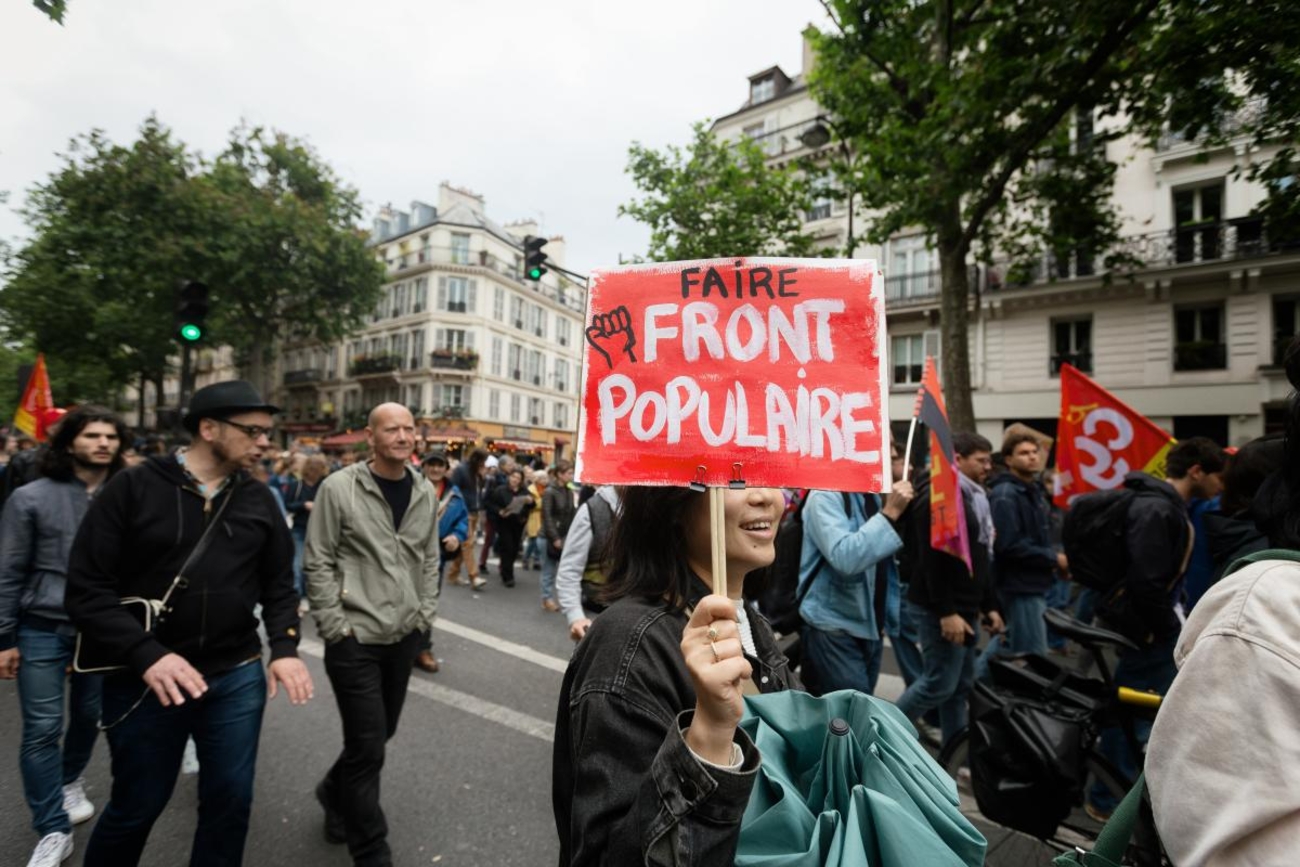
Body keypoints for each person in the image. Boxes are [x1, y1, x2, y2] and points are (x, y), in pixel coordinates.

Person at [64, 381, 313, 867]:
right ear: (208, 428)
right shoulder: (133, 488)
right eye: (254, 431)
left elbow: (280, 587)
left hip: (235, 673)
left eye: (268, 431)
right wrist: (146, 655)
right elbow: (86, 590)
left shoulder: (260, 500)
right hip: (144, 680)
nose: (266, 442)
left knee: (230, 802)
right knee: (138, 805)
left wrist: (283, 649)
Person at [552, 484, 795, 865]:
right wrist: (710, 734)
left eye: (767, 473)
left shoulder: (752, 624)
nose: (765, 496)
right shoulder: (627, 644)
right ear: (671, 503)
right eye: (736, 480)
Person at [305, 403, 441, 867]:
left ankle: (331, 791)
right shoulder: (339, 488)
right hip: (354, 636)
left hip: (403, 635)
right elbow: (318, 558)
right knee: (367, 746)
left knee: (381, 733)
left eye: (409, 428)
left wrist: (424, 616)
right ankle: (371, 849)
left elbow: (428, 558)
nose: (403, 436)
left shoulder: (424, 490)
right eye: (392, 429)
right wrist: (334, 627)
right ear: (371, 436)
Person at [0, 406, 128, 867]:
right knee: (41, 729)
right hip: (42, 626)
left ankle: (70, 778)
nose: (102, 443)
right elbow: (8, 570)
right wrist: (3, 637)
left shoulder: (127, 495)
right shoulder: (30, 497)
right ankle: (51, 827)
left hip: (103, 630)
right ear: (69, 441)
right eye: (92, 434)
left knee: (90, 713)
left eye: (111, 436)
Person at [1085, 436, 1226, 821]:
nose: (1220, 486)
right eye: (1218, 476)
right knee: (1133, 707)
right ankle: (1105, 795)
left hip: (1147, 624)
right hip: (1147, 629)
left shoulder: (1166, 505)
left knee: (1135, 704)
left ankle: (1111, 784)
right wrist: (1167, 629)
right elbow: (1147, 580)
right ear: (1197, 471)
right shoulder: (1157, 508)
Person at [893, 432, 1005, 747]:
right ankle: (876, 733)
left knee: (959, 688)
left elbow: (979, 557)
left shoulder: (975, 496)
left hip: (965, 605)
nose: (988, 466)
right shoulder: (937, 497)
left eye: (988, 459)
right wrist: (946, 612)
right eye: (980, 460)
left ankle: (952, 756)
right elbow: (930, 561)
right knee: (939, 684)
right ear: (957, 458)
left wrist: (989, 605)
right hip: (939, 607)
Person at [797, 474, 913, 697]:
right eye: (887, 447)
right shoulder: (826, 494)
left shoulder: (870, 495)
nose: (894, 455)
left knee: (857, 710)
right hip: (834, 627)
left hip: (869, 624)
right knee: (853, 715)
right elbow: (845, 557)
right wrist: (890, 514)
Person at [978, 431, 1065, 668]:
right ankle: (970, 689)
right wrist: (1053, 558)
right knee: (1032, 656)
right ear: (1009, 460)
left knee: (1009, 648)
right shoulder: (1006, 495)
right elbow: (1007, 545)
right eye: (1024, 453)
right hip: (1019, 585)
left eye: (1035, 452)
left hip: (1032, 582)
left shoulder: (1032, 491)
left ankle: (971, 690)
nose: (1032, 457)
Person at [413, 450, 468, 673]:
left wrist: (456, 536)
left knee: (427, 604)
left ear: (446, 469)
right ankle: (401, 650)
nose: (435, 469)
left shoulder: (454, 495)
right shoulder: (410, 486)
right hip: (407, 556)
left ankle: (422, 649)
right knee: (404, 603)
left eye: (440, 465)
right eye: (431, 464)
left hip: (435, 558)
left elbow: (462, 522)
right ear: (424, 466)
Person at [556, 484, 621, 641]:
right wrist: (576, 616)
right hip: (597, 613)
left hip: (641, 618)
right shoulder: (593, 510)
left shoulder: (651, 508)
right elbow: (569, 569)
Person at [285, 454, 329, 599]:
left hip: (321, 529)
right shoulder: (296, 485)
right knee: (298, 564)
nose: (314, 471)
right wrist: (304, 505)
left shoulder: (326, 485)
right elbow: (287, 505)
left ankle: (311, 594)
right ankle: (298, 595)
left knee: (317, 564)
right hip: (299, 528)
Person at [484, 467, 533, 588]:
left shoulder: (524, 491)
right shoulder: (500, 490)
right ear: (509, 477)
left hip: (518, 523)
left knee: (515, 549)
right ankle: (508, 576)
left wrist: (529, 501)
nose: (515, 480)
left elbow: (532, 505)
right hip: (504, 522)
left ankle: (505, 569)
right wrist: (499, 511)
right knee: (507, 547)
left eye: (518, 478)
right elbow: (489, 504)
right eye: (513, 477)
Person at [447, 448, 488, 589]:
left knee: (464, 544)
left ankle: (453, 573)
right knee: (468, 543)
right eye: (482, 462)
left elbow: (478, 492)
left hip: (474, 511)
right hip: (465, 511)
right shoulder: (461, 470)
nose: (484, 465)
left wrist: (482, 477)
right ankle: (474, 576)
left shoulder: (477, 473)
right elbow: (452, 489)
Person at [540, 460, 577, 613]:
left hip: (564, 536)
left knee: (563, 570)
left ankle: (561, 599)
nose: (571, 475)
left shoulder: (568, 491)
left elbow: (571, 513)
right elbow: (547, 517)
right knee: (548, 570)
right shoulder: (549, 492)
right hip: (548, 537)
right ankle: (546, 599)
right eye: (569, 473)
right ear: (560, 475)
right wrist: (555, 538)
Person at [522, 470, 549, 571]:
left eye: (546, 478)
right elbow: (533, 504)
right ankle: (526, 558)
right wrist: (542, 503)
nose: (546, 480)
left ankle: (536, 560)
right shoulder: (531, 489)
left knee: (539, 539)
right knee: (533, 540)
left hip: (542, 517)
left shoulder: (546, 489)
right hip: (533, 516)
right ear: (538, 479)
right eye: (543, 478)